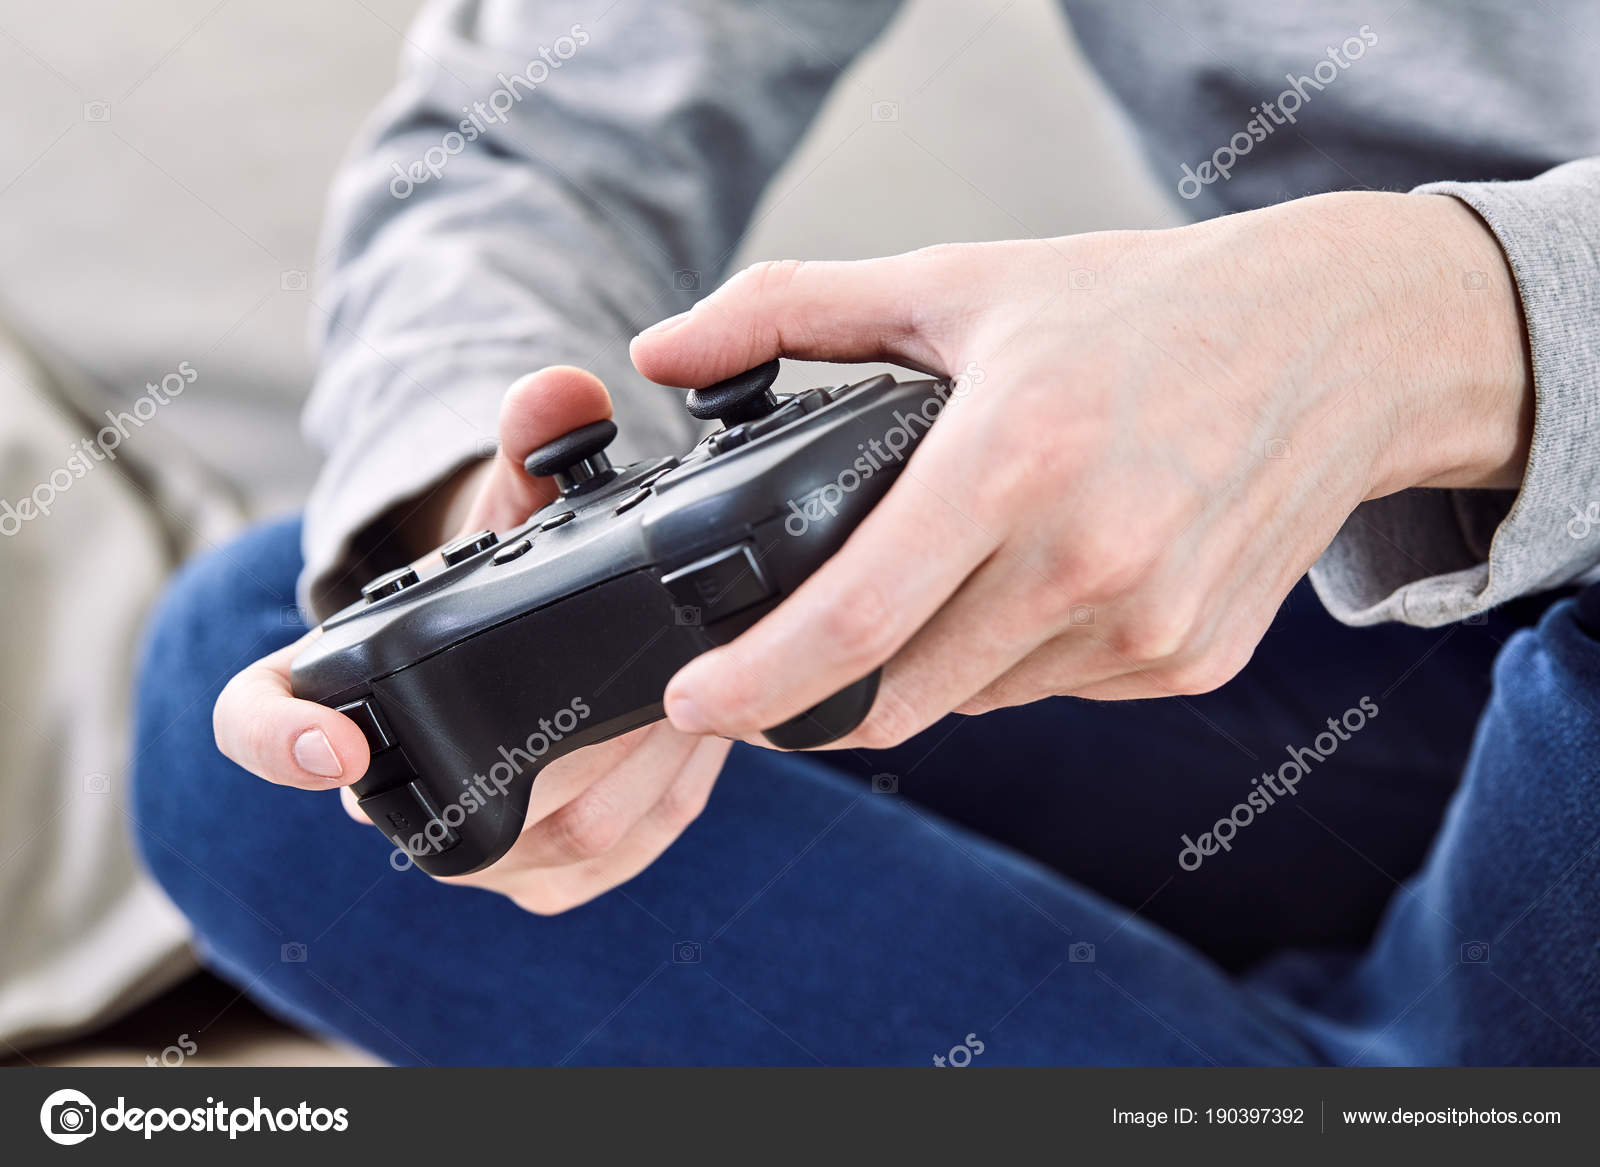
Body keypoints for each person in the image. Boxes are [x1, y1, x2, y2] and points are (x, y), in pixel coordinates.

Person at [132, 0, 1600, 1064]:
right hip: (1341, 580)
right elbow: (530, 145)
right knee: (303, 711)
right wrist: (518, 554)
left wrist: (1429, 318)